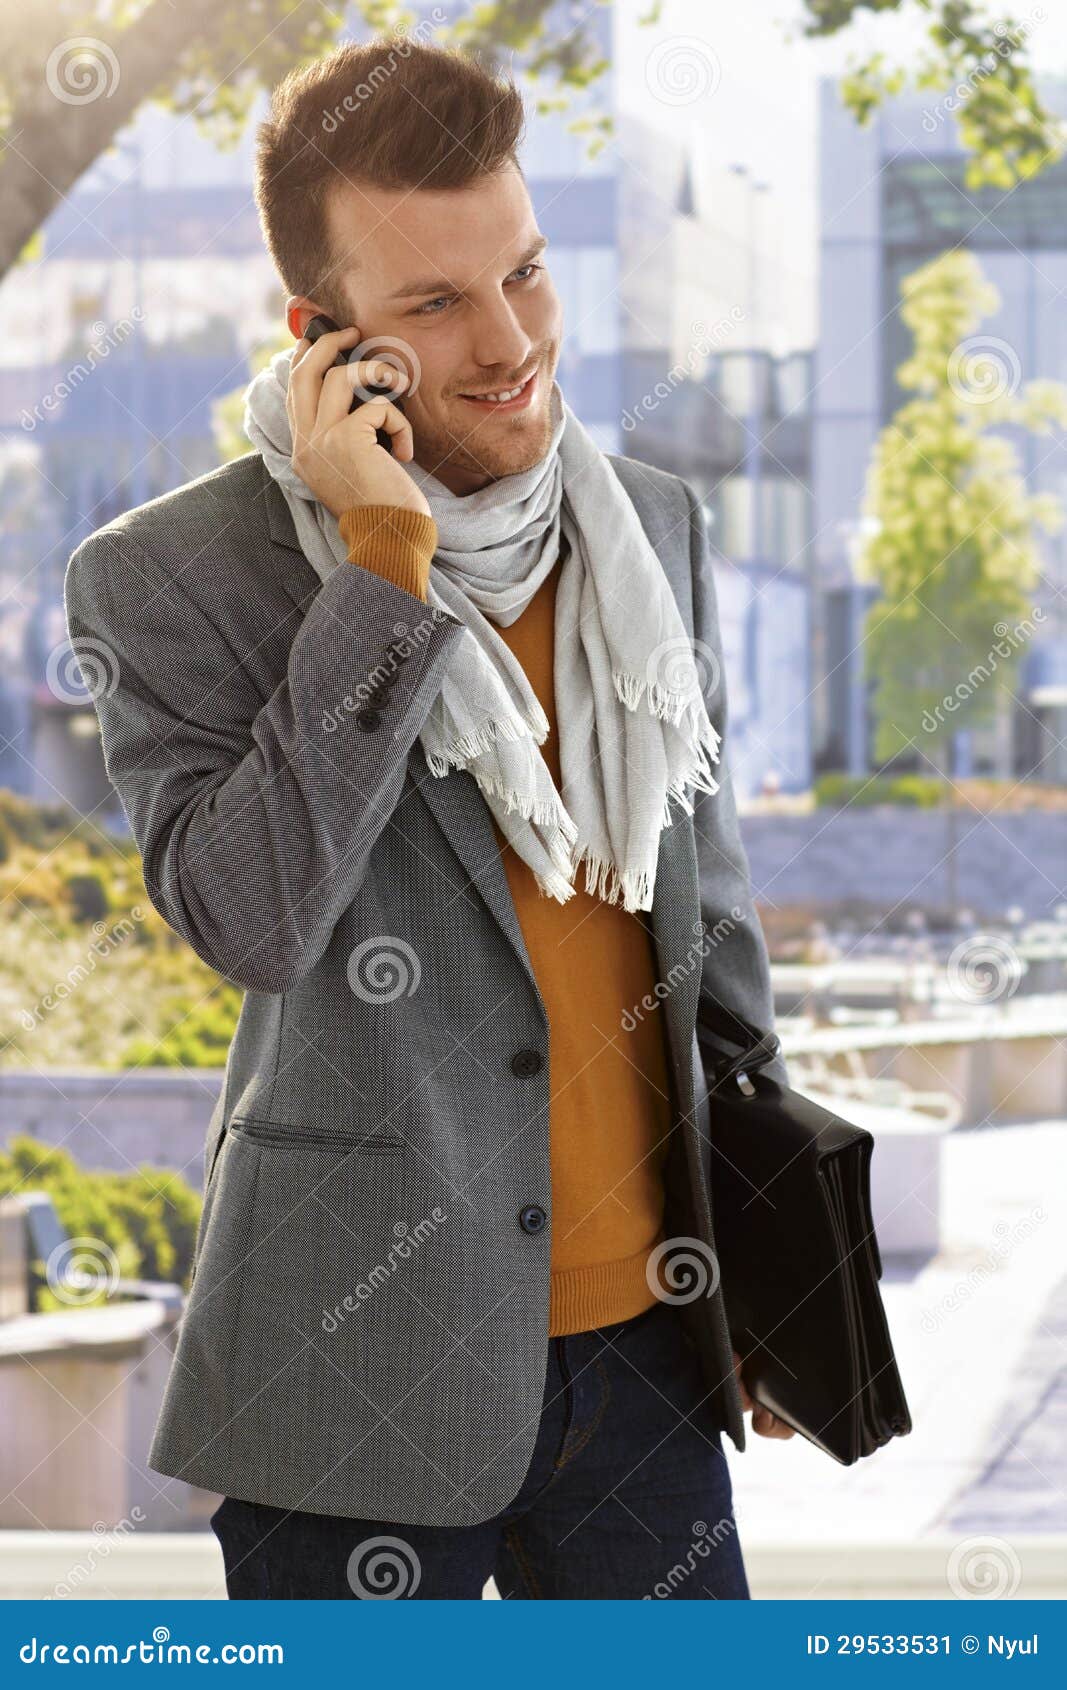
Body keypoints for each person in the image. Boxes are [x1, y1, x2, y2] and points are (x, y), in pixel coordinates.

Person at [63, 36, 793, 1602]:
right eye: (438, 304)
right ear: (328, 342)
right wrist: (383, 565)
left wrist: (775, 1269)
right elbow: (252, 915)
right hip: (349, 1372)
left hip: (653, 1365)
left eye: (523, 273)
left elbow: (705, 926)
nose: (512, 339)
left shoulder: (648, 526)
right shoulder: (167, 578)